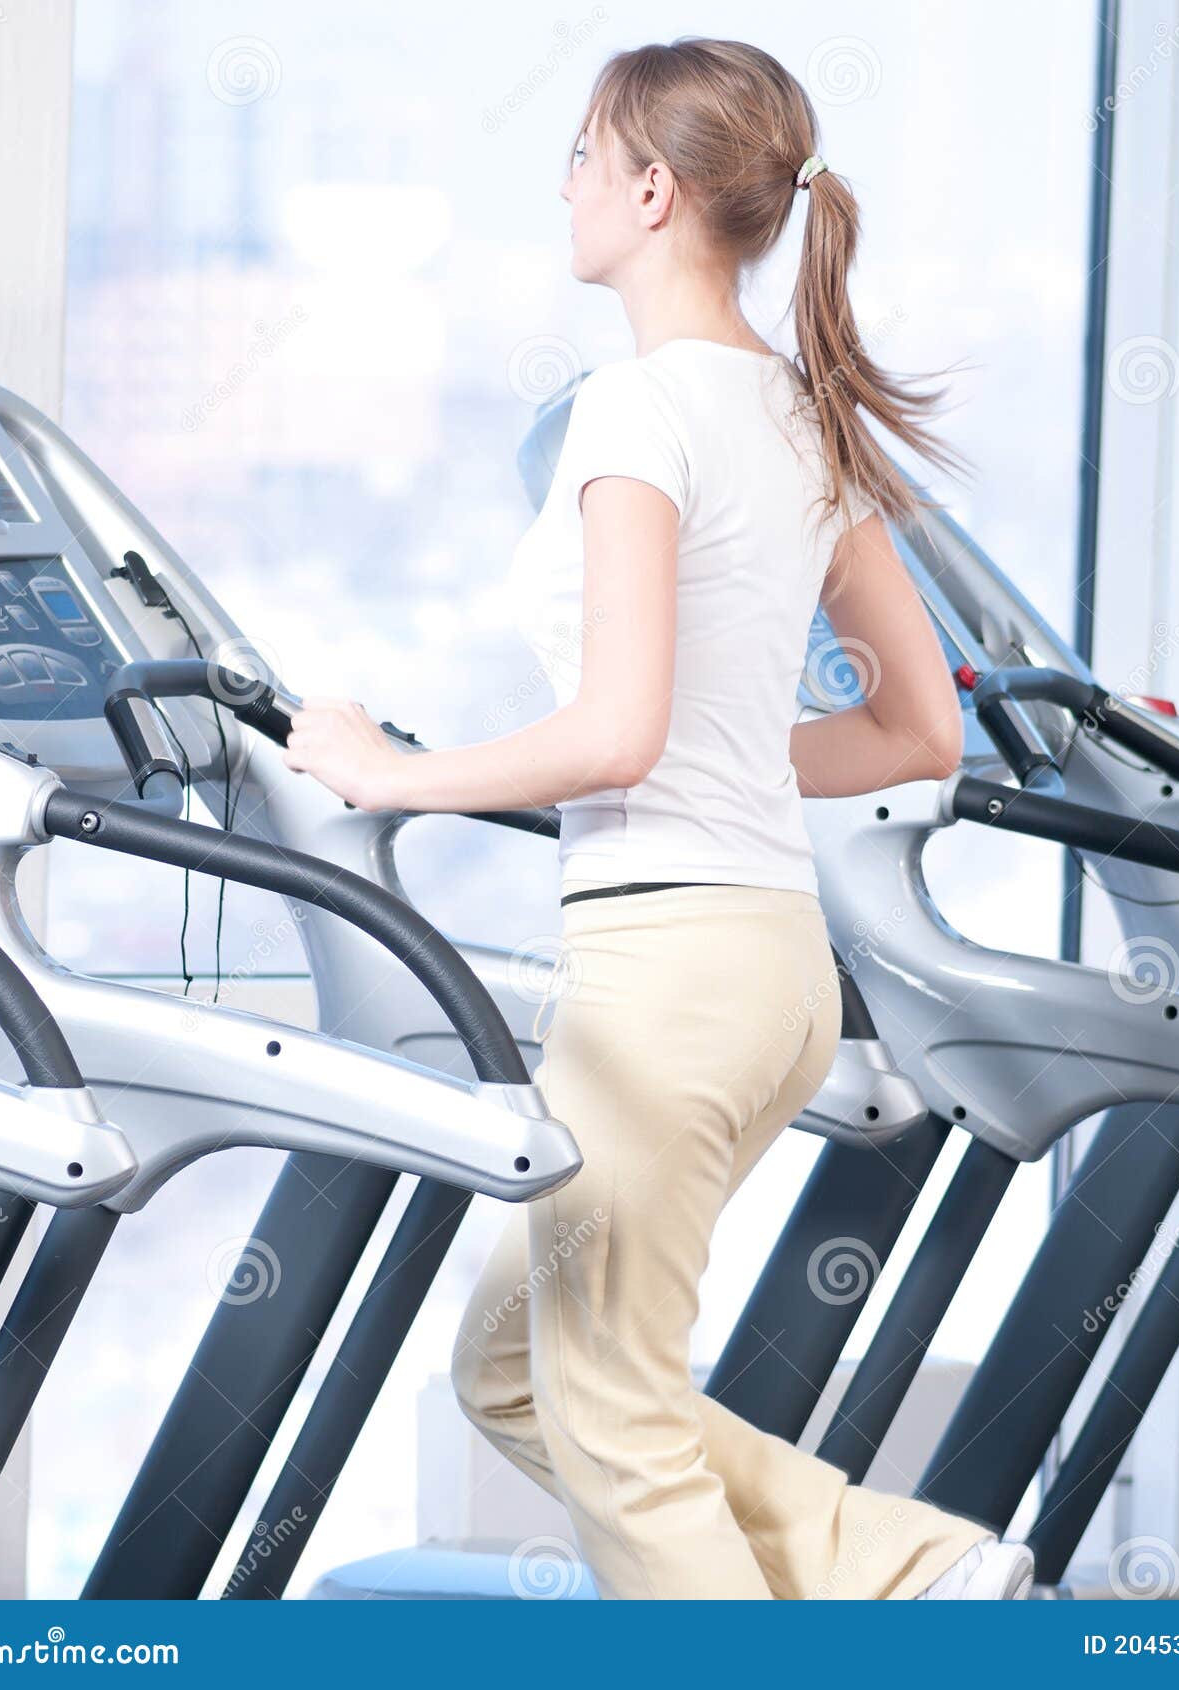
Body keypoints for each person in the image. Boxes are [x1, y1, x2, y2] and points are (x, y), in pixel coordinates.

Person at [284, 36, 1030, 1601]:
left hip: (665, 977)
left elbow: (618, 732)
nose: (559, 183)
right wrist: (722, 751)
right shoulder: (811, 419)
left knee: (612, 1412)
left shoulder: (634, 411)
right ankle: (904, 1571)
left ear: (650, 190)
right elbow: (917, 731)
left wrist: (385, 767)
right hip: (775, 974)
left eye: (578, 154)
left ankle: (872, 1598)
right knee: (521, 1368)